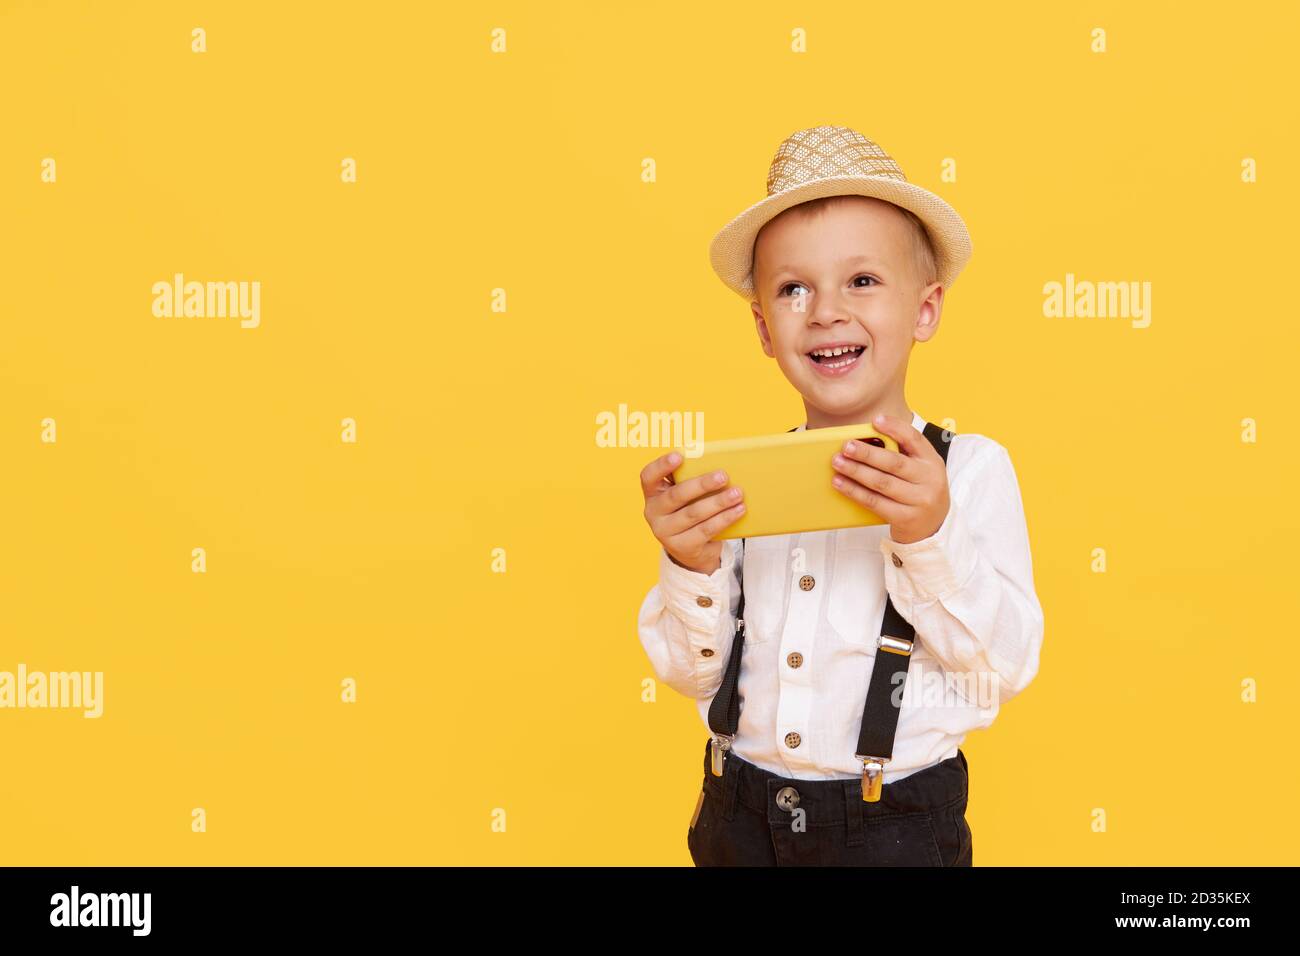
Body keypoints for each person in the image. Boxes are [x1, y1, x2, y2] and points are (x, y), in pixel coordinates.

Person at [637, 125, 1044, 866]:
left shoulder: (971, 472)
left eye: (862, 280)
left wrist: (929, 538)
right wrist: (688, 562)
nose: (825, 310)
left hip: (895, 825)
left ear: (925, 310)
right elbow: (691, 672)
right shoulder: (738, 482)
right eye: (794, 288)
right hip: (739, 812)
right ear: (764, 327)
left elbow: (1002, 669)